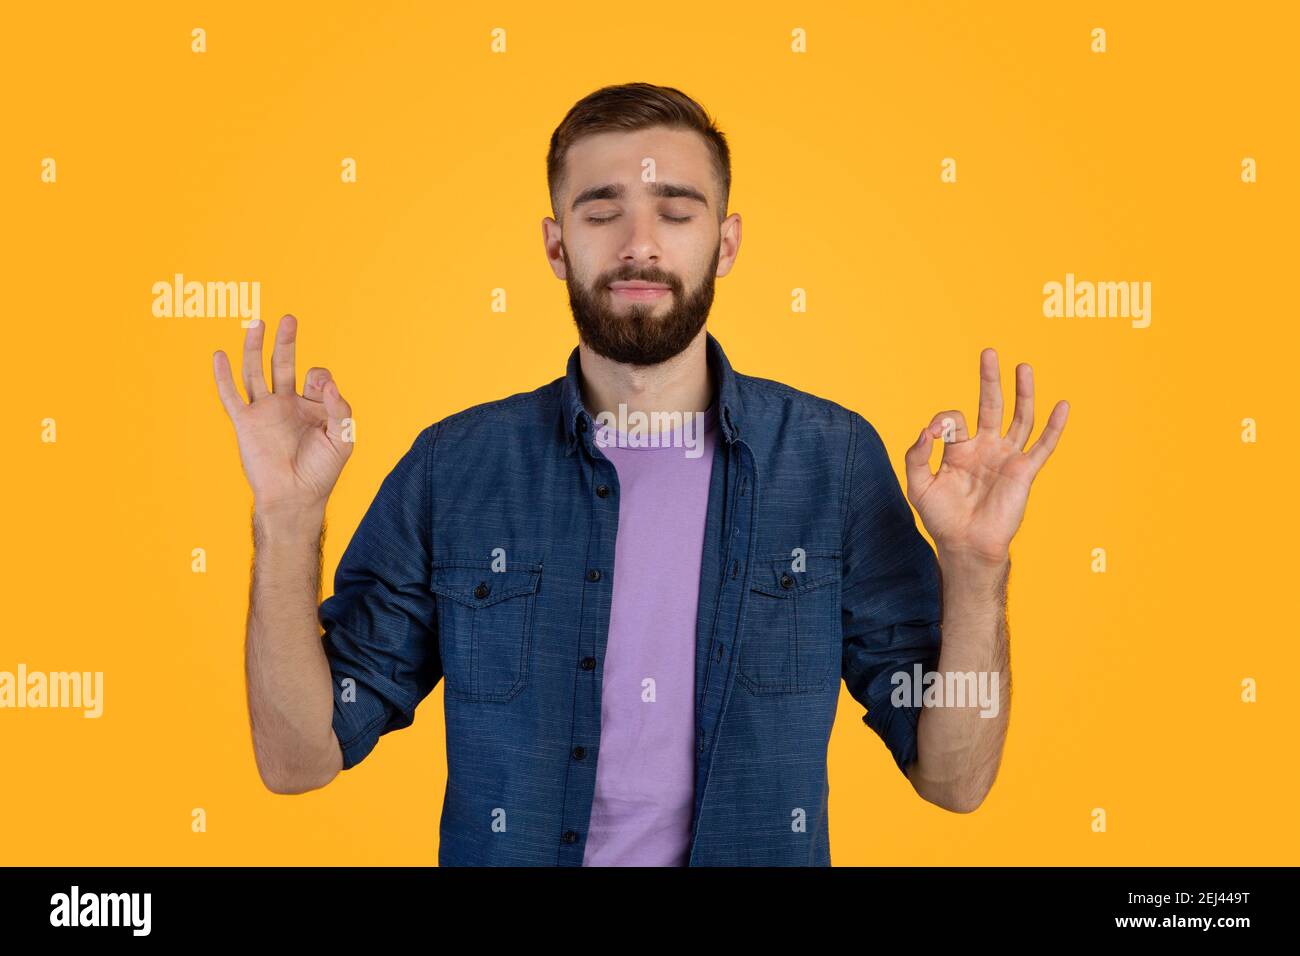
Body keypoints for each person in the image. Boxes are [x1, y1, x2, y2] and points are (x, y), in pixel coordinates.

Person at [212, 81, 1069, 866]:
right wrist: (286, 520)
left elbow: (953, 781)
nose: (640, 244)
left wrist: (976, 567)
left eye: (677, 210)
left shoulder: (833, 461)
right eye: (601, 211)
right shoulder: (456, 468)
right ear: (556, 245)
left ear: (726, 243)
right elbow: (299, 761)